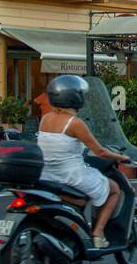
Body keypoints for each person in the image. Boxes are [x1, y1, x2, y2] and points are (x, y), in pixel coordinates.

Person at [37, 75, 131, 248]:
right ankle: (98, 232)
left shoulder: (45, 119)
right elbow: (100, 152)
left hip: (48, 175)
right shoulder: (75, 123)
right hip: (71, 175)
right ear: (76, 98)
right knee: (114, 190)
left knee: (86, 193)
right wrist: (122, 157)